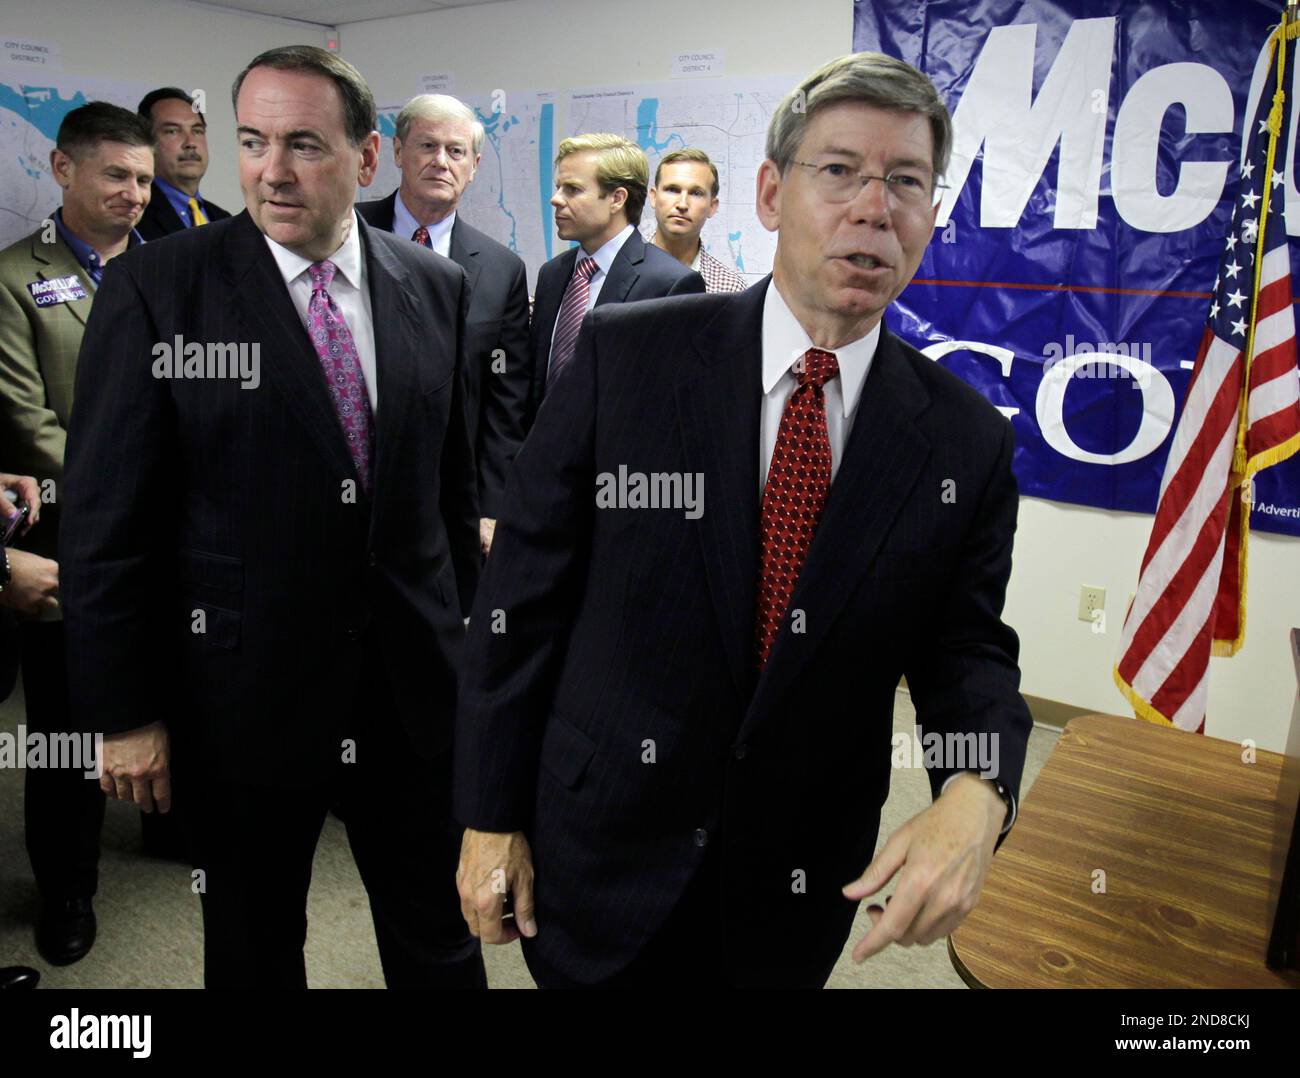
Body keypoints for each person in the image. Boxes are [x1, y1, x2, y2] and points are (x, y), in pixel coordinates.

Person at [454, 52, 1033, 988]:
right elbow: (520, 603)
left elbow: (964, 648)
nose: (873, 207)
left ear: (930, 214)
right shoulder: (625, 361)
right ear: (770, 194)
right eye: (839, 171)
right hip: (600, 851)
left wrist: (978, 788)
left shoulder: (963, 442)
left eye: (906, 182)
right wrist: (488, 814)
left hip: (795, 885)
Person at [59, 45, 485, 989]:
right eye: (251, 142)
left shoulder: (436, 289)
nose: (271, 170)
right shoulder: (159, 290)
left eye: (303, 143)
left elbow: (448, 501)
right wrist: (124, 712)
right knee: (252, 947)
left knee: (439, 936)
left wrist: (467, 657)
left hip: (411, 694)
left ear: (368, 158)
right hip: (240, 697)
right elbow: (104, 522)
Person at [0, 101, 154, 966]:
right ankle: (67, 887)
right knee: (68, 726)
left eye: (141, 178)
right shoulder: (17, 277)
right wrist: (131, 488)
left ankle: (173, 838)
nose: (134, 192)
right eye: (115, 175)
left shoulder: (173, 270)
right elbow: (27, 422)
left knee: (169, 701)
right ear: (64, 171)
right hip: (69, 543)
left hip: (169, 539)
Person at [357, 94, 530, 557]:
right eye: (427, 146)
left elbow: (505, 402)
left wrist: (491, 506)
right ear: (396, 152)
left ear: (473, 166)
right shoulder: (347, 232)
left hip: (449, 498)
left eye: (455, 152)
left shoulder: (501, 268)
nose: (440, 162)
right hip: (354, 481)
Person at [528, 133, 704, 420]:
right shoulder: (553, 274)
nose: (555, 199)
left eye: (572, 189)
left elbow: (673, 404)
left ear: (617, 199)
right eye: (559, 187)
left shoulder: (671, 285)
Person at [646, 148, 747, 293]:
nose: (682, 204)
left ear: (712, 206)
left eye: (696, 193)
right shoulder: (619, 270)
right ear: (654, 197)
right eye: (673, 190)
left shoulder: (731, 289)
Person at [135, 87, 231, 240]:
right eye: (173, 131)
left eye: (197, 131)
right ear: (147, 142)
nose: (190, 143)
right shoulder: (134, 215)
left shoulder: (224, 220)